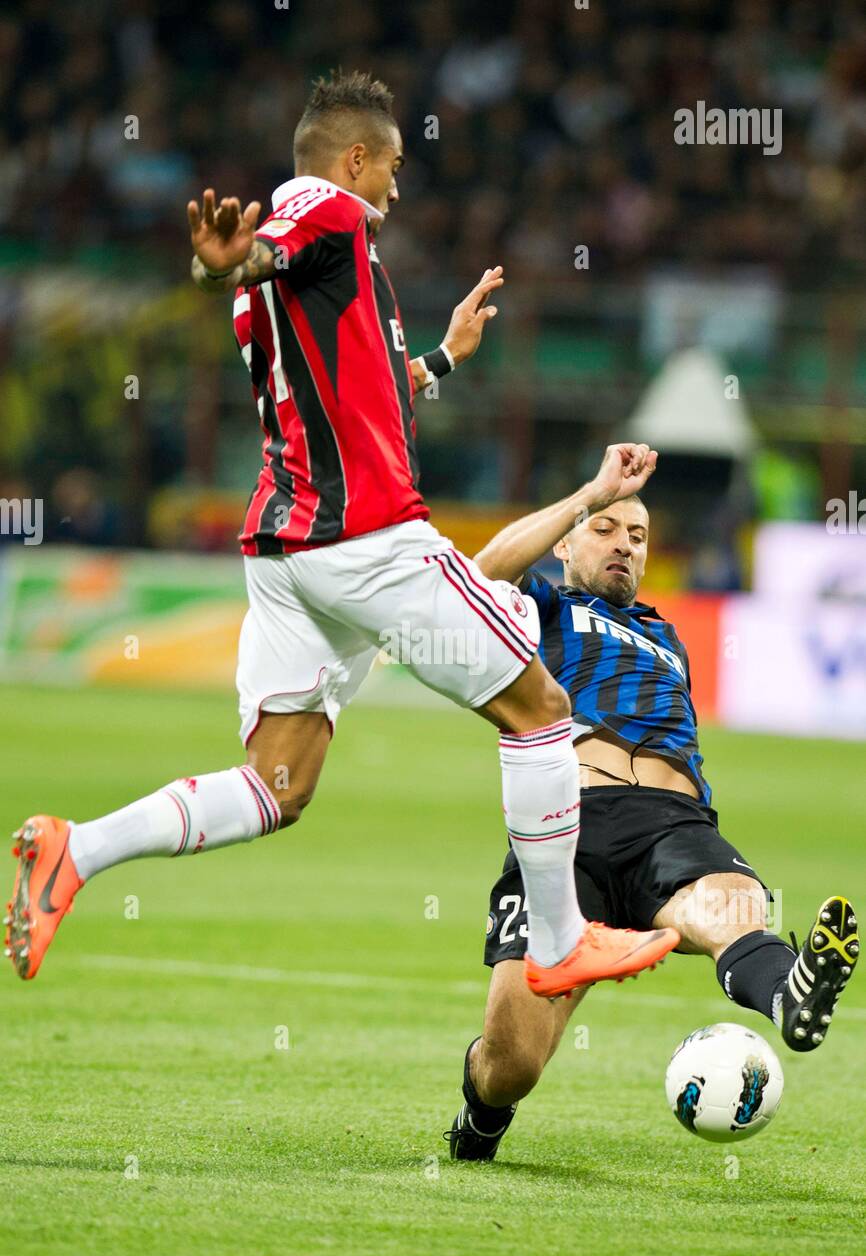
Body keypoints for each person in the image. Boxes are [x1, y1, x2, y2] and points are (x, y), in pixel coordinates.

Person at [5, 73, 678, 995]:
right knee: (541, 710)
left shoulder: (314, 275)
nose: (397, 189)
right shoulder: (325, 217)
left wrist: (439, 359)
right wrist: (216, 264)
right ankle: (560, 943)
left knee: (276, 785)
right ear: (354, 159)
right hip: (364, 538)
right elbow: (252, 258)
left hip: (288, 552)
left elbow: (353, 388)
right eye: (393, 167)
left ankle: (74, 851)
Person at [445, 449, 859, 1159]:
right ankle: (482, 1116)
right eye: (606, 529)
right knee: (511, 1067)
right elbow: (477, 578)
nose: (624, 546)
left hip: (672, 825)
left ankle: (788, 996)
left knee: (732, 903)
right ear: (570, 539)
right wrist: (590, 495)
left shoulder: (668, 635)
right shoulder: (542, 605)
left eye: (637, 537)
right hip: (564, 830)